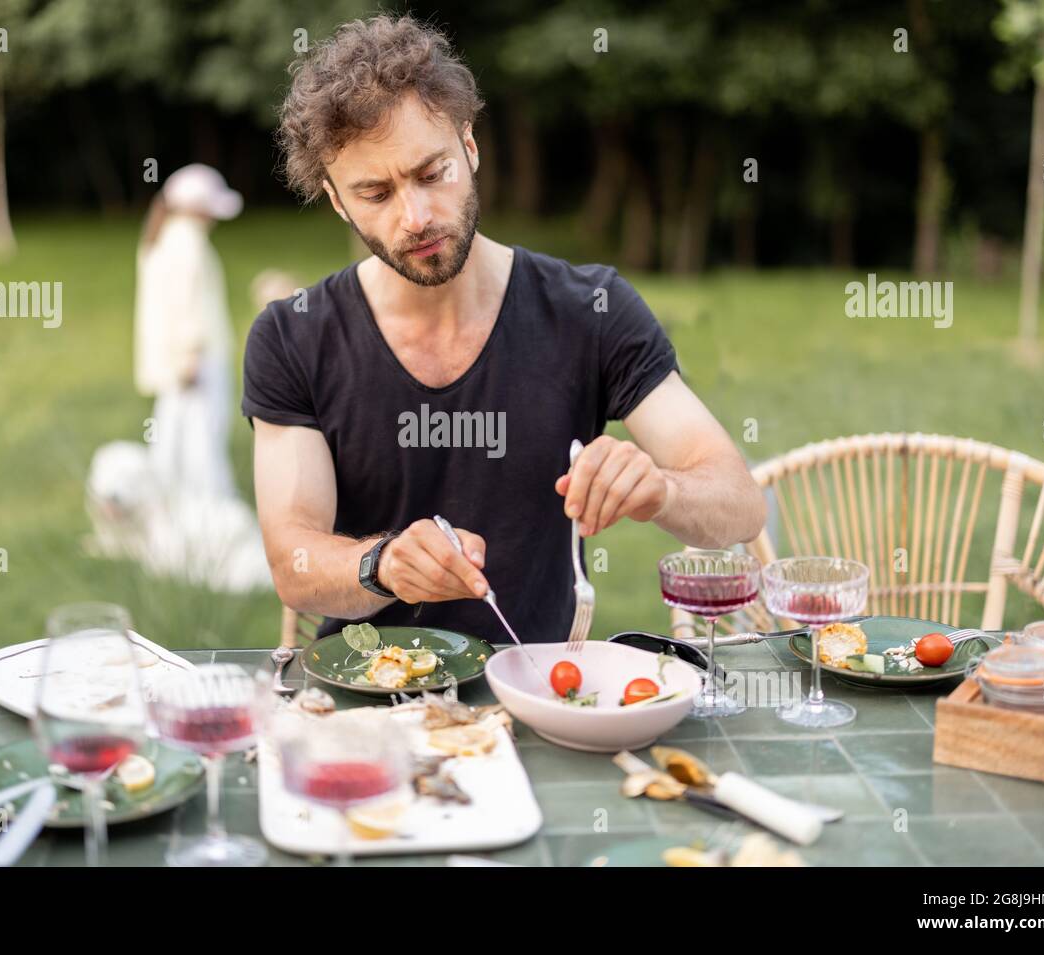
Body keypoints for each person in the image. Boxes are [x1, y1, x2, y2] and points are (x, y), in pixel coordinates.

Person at [243, 15, 766, 643]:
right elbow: (293, 565)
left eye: (432, 173)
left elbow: (739, 505)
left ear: (470, 145)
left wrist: (661, 489)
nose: (417, 217)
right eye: (376, 194)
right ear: (335, 199)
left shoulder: (591, 309)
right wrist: (380, 564)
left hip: (541, 694)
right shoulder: (291, 337)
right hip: (367, 703)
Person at [135, 164, 243, 500]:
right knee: (203, 437)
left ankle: (170, 503)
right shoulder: (187, 244)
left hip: (178, 358)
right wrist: (191, 353)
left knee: (174, 436)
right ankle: (212, 508)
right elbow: (186, 302)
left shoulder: (167, 238)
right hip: (197, 357)